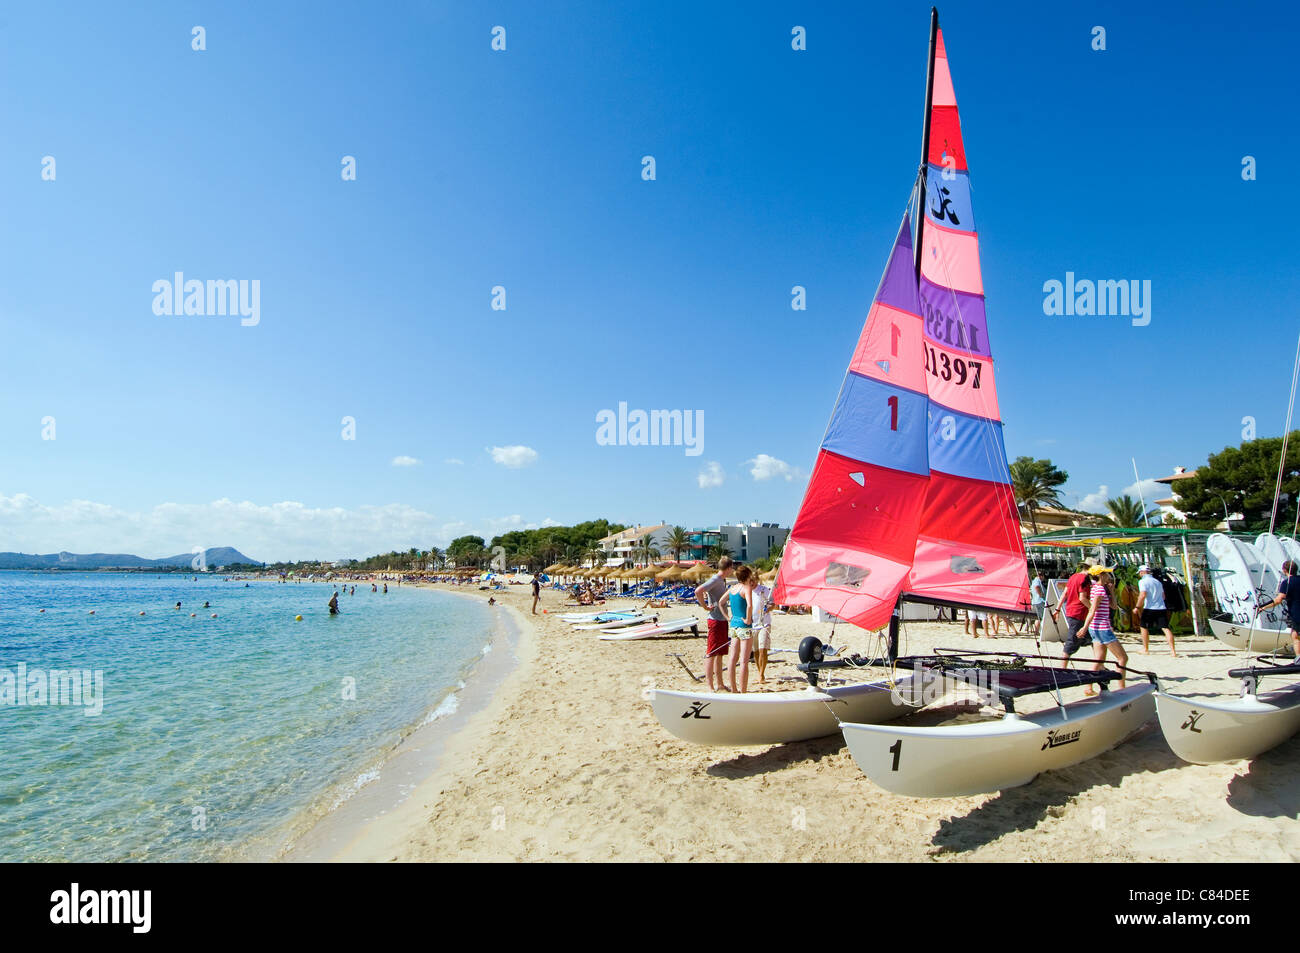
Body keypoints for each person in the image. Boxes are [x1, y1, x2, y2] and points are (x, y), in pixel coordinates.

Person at [694, 557, 735, 692]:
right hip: (715, 620)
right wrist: (705, 607)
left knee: (720, 653)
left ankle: (720, 683)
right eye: (731, 568)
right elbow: (698, 591)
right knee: (711, 653)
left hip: (721, 620)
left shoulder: (720, 580)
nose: (732, 571)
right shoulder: (716, 579)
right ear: (728, 568)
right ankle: (710, 685)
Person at [1082, 566, 1127, 690]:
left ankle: (1088, 686)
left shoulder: (1098, 589)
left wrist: (1111, 591)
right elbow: (1092, 609)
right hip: (1102, 627)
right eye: (1106, 574)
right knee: (1122, 658)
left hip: (1096, 627)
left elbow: (1114, 606)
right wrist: (1084, 627)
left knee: (1099, 659)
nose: (1109, 576)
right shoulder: (1099, 590)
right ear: (1101, 575)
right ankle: (1121, 687)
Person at [720, 566, 756, 693]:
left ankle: (734, 689)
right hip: (744, 626)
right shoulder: (746, 588)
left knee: (732, 658)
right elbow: (750, 605)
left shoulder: (732, 589)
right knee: (744, 661)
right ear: (747, 576)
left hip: (733, 625)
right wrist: (748, 618)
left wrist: (727, 617)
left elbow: (720, 602)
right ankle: (743, 690)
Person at [1256, 559, 1300, 657]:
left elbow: (1278, 600)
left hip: (1297, 613)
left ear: (1284, 570)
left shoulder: (1286, 583)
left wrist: (1263, 607)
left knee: (1296, 636)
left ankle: (1299, 659)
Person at [1053, 562, 1093, 667]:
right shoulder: (1084, 579)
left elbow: (1065, 593)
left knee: (1093, 639)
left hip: (1071, 611)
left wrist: (1057, 609)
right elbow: (1082, 598)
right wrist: (1093, 608)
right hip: (1078, 613)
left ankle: (1099, 664)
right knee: (1071, 641)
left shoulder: (1073, 577)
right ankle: (1062, 669)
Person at [1133, 565, 1178, 657]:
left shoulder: (1142, 581)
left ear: (1142, 572)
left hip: (1149, 607)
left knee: (1143, 627)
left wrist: (1137, 607)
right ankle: (1173, 651)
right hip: (1161, 607)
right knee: (1165, 628)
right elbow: (1163, 596)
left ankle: (1145, 649)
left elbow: (1143, 594)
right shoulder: (1158, 582)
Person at [750, 576, 773, 683]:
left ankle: (761, 674)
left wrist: (767, 609)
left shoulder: (764, 590)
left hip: (764, 624)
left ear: (757, 580)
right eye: (749, 580)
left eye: (753, 580)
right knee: (755, 651)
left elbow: (773, 604)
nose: (751, 582)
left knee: (762, 649)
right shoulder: (747, 591)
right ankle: (759, 671)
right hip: (753, 624)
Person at [1030, 571, 1047, 636]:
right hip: (1039, 601)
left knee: (1037, 617)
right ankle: (1036, 631)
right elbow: (1037, 587)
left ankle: (1036, 631)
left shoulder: (1034, 581)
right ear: (1041, 576)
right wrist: (1041, 594)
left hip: (1035, 601)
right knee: (1040, 617)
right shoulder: (1037, 581)